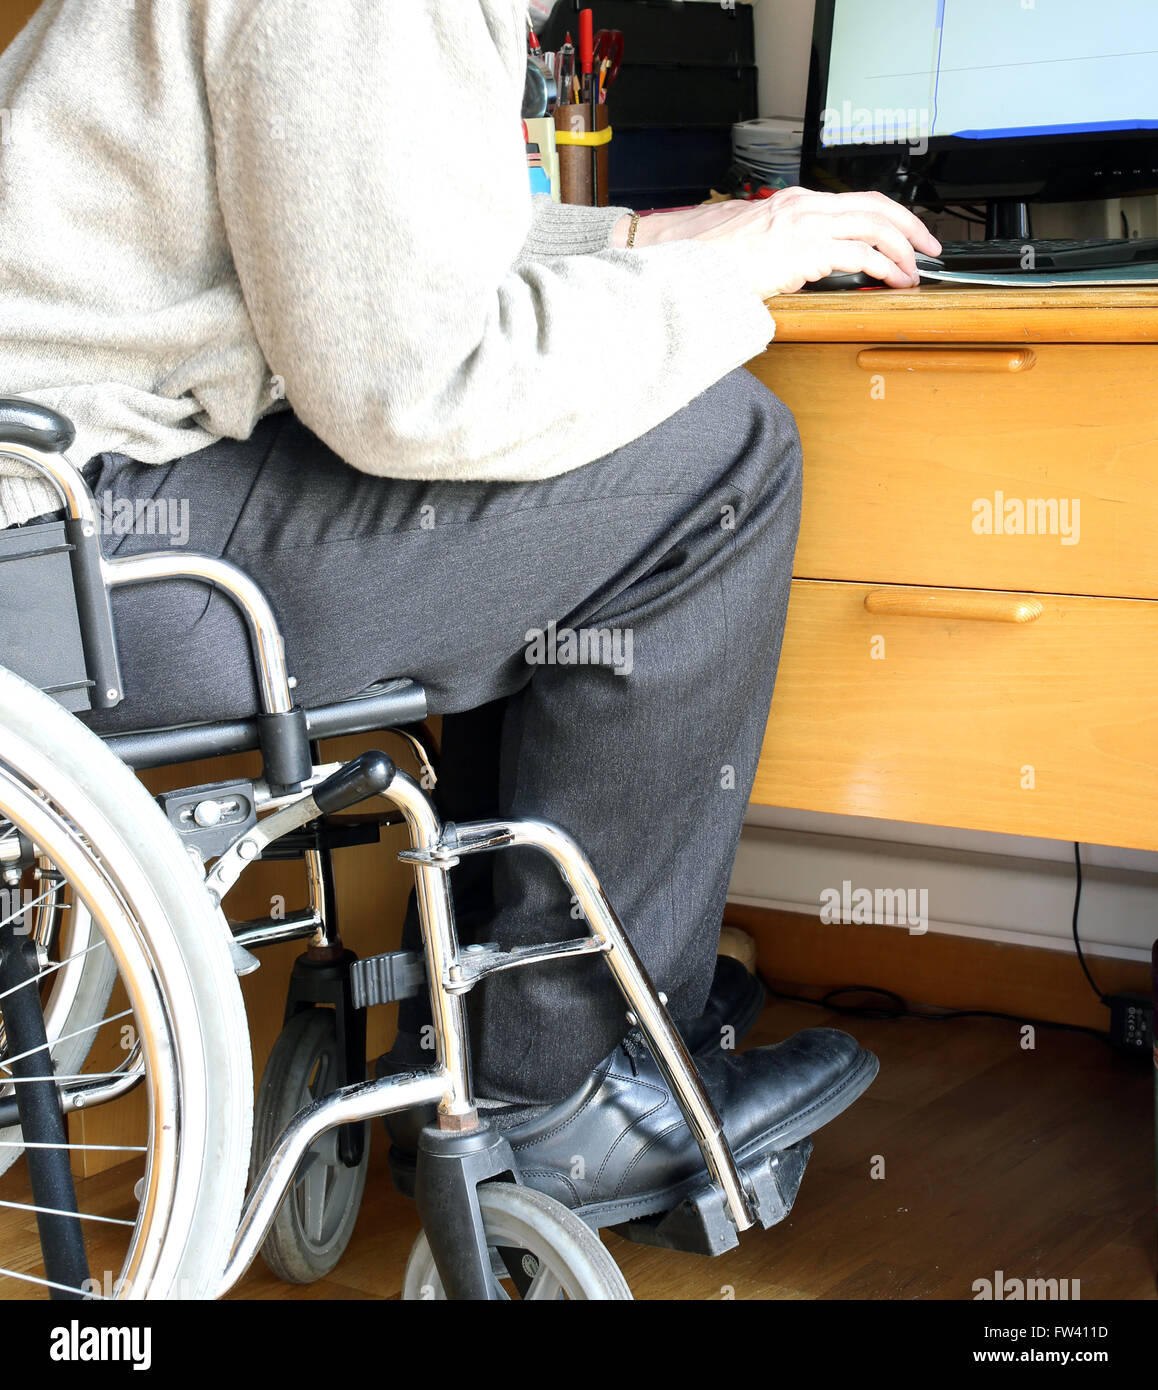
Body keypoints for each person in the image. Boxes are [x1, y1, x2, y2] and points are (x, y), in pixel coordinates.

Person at [0, 1, 940, 1227]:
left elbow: (374, 217)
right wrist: (727, 274)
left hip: (64, 519)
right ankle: (561, 1087)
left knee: (569, 467)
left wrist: (661, 235)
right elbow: (417, 388)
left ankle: (514, 1013)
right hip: (73, 551)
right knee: (714, 458)